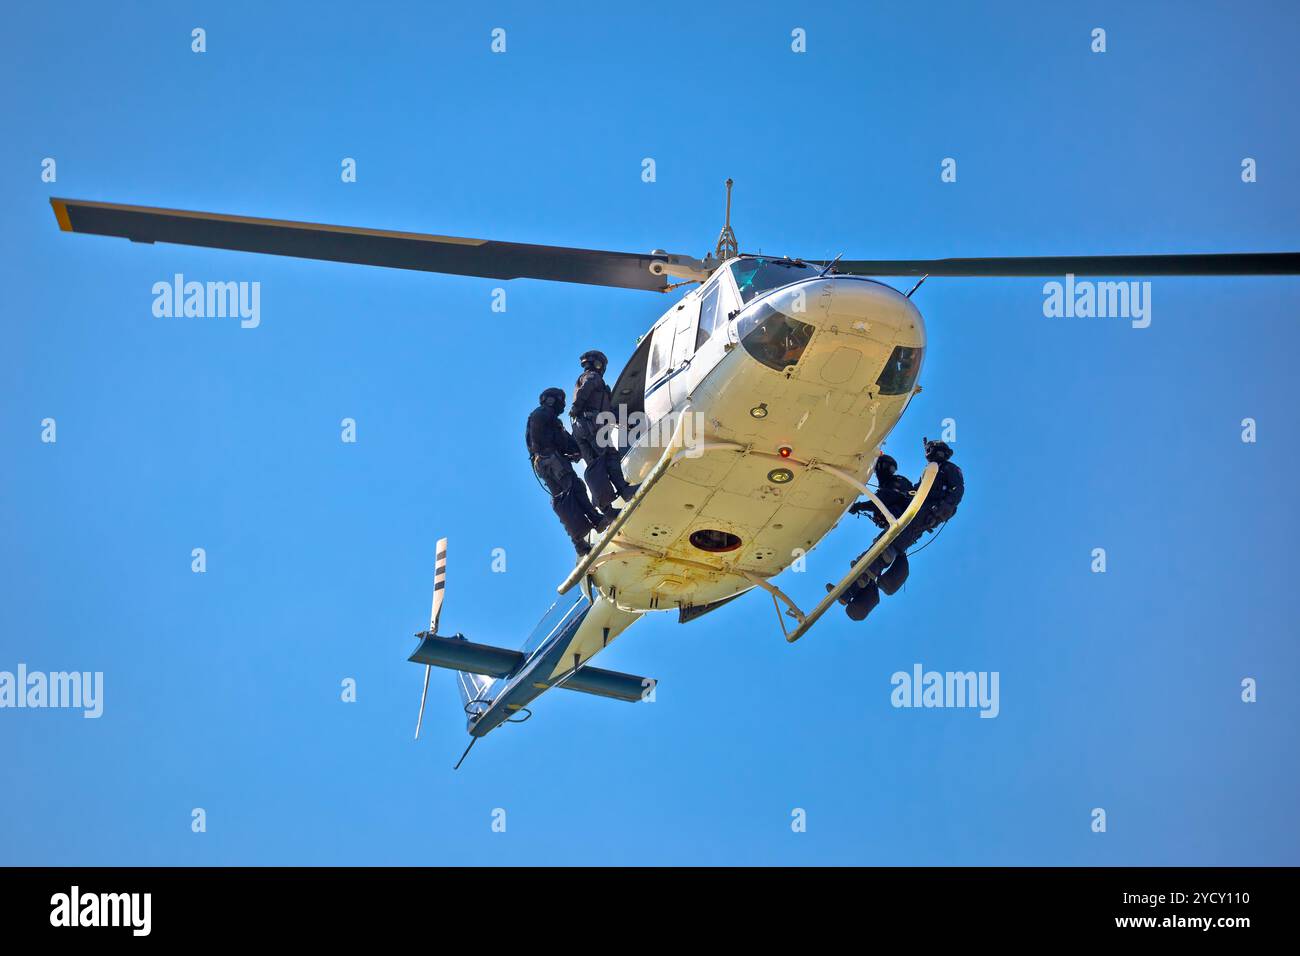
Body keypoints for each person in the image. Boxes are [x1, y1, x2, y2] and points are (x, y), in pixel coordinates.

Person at [834, 440, 965, 622]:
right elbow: (915, 492)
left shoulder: (949, 469)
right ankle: (852, 592)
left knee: (885, 550)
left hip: (922, 515)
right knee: (880, 547)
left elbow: (956, 493)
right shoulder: (930, 472)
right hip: (912, 515)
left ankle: (853, 587)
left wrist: (939, 510)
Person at [527, 387, 611, 557]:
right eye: (561, 400)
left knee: (562, 499)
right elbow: (561, 439)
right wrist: (575, 448)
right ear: (552, 400)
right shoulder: (545, 414)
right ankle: (597, 520)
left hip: (541, 464)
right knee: (575, 489)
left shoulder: (535, 417)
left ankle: (579, 544)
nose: (563, 404)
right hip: (552, 459)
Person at [570, 349, 639, 518]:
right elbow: (585, 394)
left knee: (596, 467)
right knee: (609, 457)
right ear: (598, 364)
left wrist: (625, 420)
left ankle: (607, 511)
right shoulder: (592, 378)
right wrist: (577, 407)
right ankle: (624, 491)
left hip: (583, 427)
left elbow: (607, 411)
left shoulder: (593, 386)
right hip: (591, 425)